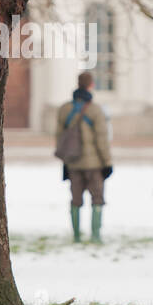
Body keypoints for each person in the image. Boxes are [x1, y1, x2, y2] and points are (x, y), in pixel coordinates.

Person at [55, 71, 112, 243]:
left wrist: (66, 160)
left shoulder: (65, 109)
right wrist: (107, 162)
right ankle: (95, 236)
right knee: (97, 199)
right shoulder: (96, 110)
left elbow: (59, 137)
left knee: (76, 199)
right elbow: (102, 139)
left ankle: (76, 236)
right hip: (94, 164)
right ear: (91, 85)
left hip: (73, 163)